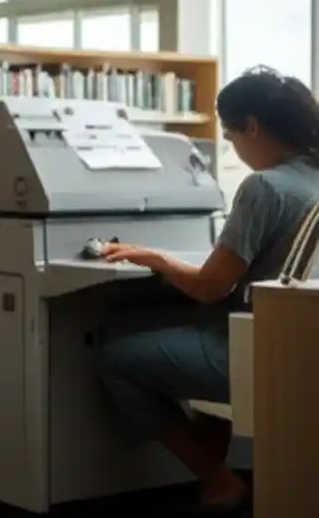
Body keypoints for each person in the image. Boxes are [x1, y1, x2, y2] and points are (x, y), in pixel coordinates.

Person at [97, 66, 319, 515]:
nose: (235, 147)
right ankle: (214, 474)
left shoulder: (264, 186)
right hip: (302, 348)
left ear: (252, 126)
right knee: (176, 332)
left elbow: (210, 287)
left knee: (115, 355)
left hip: (256, 353)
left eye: (232, 136)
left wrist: (155, 257)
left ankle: (219, 483)